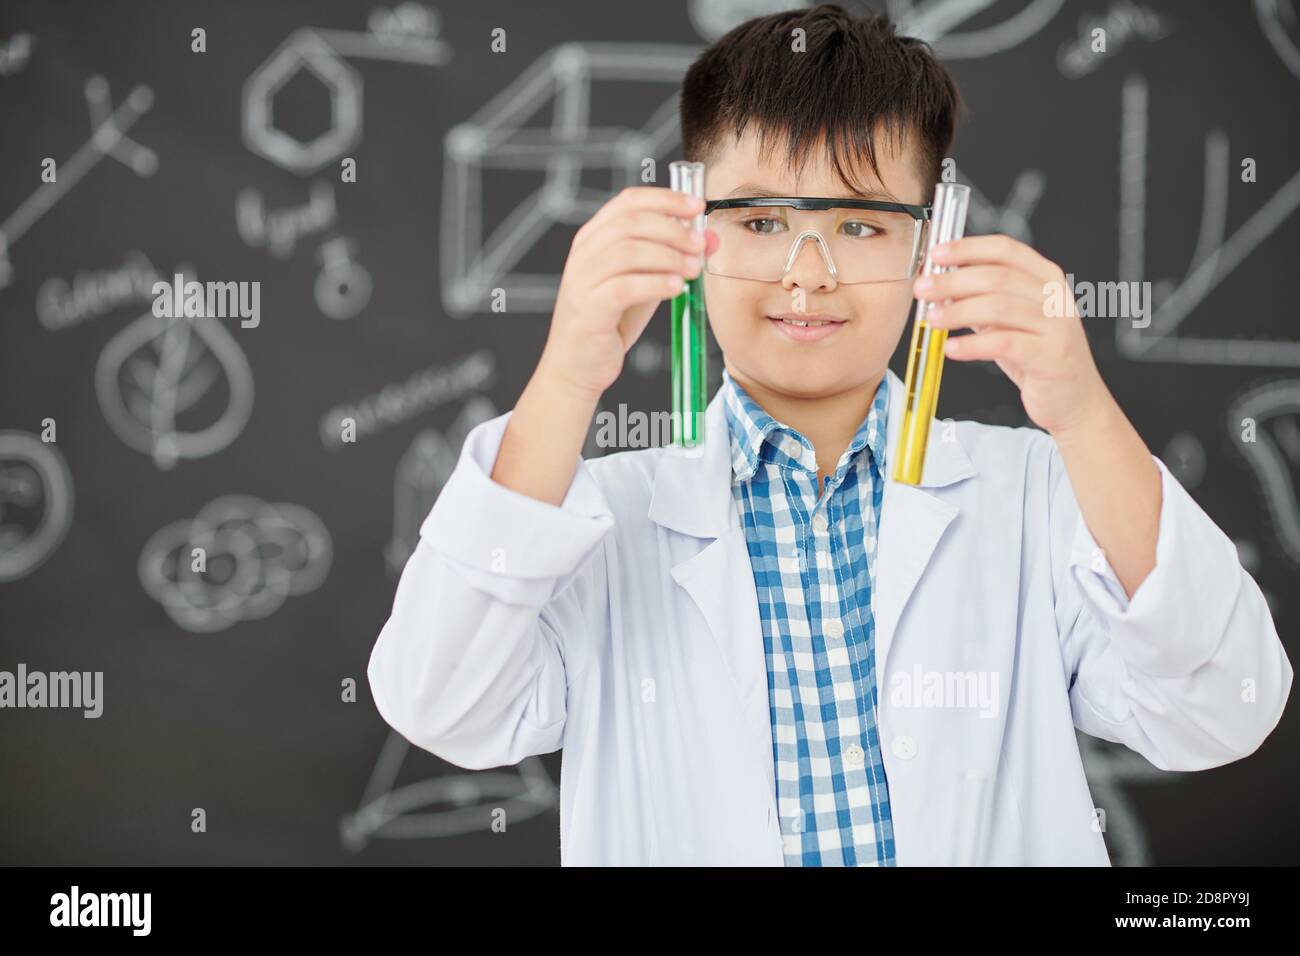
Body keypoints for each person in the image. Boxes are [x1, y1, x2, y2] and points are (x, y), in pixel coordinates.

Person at [367, 4, 1292, 865]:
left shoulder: (1039, 494)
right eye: (762, 220)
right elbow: (443, 703)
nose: (808, 278)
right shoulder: (602, 520)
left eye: (859, 223)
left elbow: (1223, 706)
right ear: (693, 230)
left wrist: (1082, 405)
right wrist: (565, 377)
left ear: (930, 245)